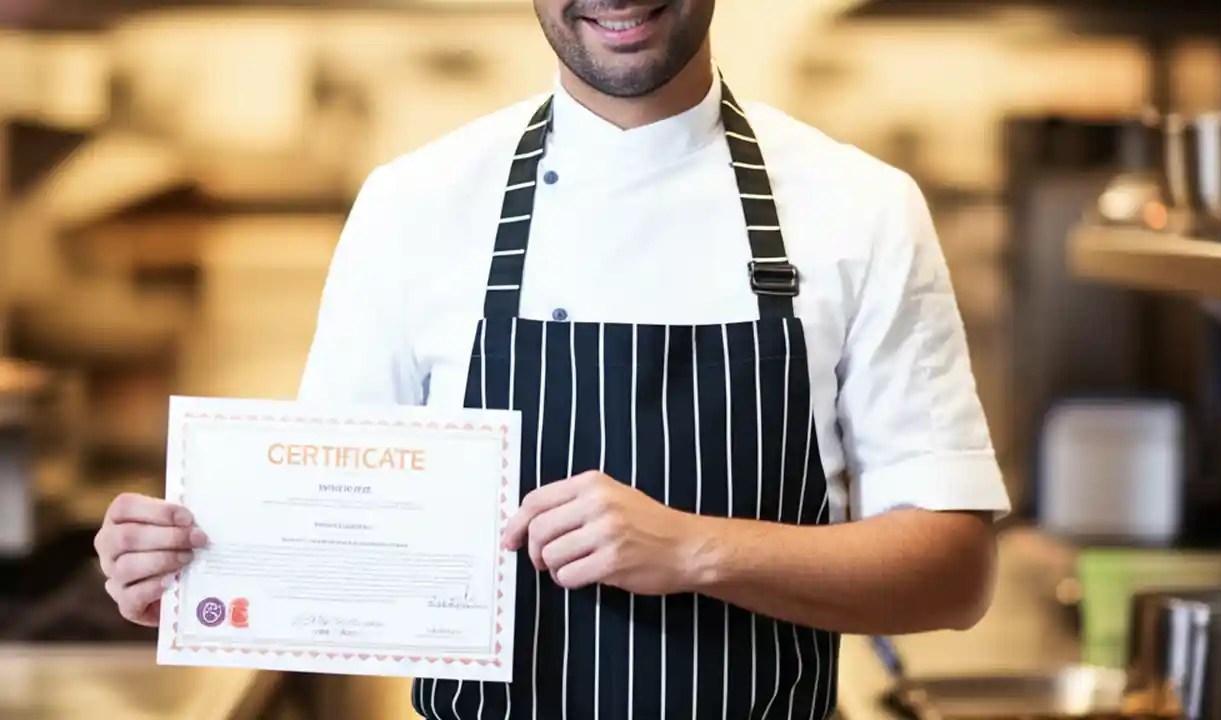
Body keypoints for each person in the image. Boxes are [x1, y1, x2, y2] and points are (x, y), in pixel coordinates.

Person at [94, 0, 1011, 717]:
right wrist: (193, 576)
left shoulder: (861, 208)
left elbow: (955, 570)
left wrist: (696, 549)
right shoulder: (414, 206)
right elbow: (334, 556)